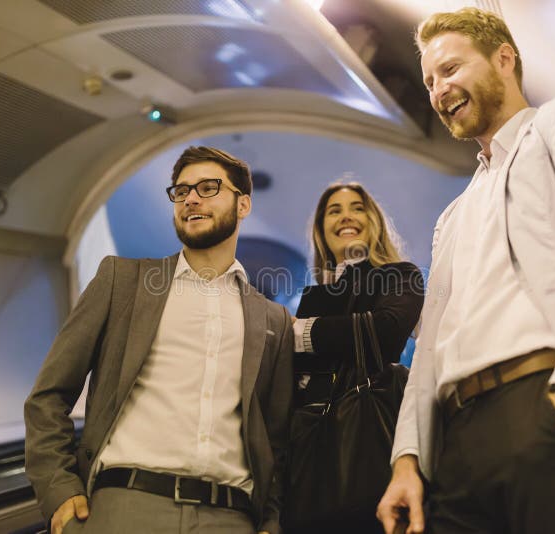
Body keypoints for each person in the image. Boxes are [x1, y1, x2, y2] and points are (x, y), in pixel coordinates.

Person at [377, 7, 555, 534]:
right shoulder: (452, 216)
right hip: (458, 446)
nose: (438, 90)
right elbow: (429, 350)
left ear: (504, 59)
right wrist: (408, 460)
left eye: (450, 69)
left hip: (554, 410)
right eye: (429, 82)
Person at [24, 146, 293, 534]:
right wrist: (59, 490)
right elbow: (48, 396)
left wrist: (270, 520)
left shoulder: (273, 320)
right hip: (125, 506)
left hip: (230, 516)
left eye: (208, 188)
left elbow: (276, 438)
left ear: (243, 204)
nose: (191, 199)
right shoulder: (123, 282)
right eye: (181, 191)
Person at [287, 182, 424, 534]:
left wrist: (299, 333)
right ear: (321, 231)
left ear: (373, 221)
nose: (346, 216)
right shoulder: (313, 298)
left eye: (357, 208)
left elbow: (386, 332)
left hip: (368, 462)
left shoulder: (400, 275)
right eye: (334, 211)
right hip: (305, 471)